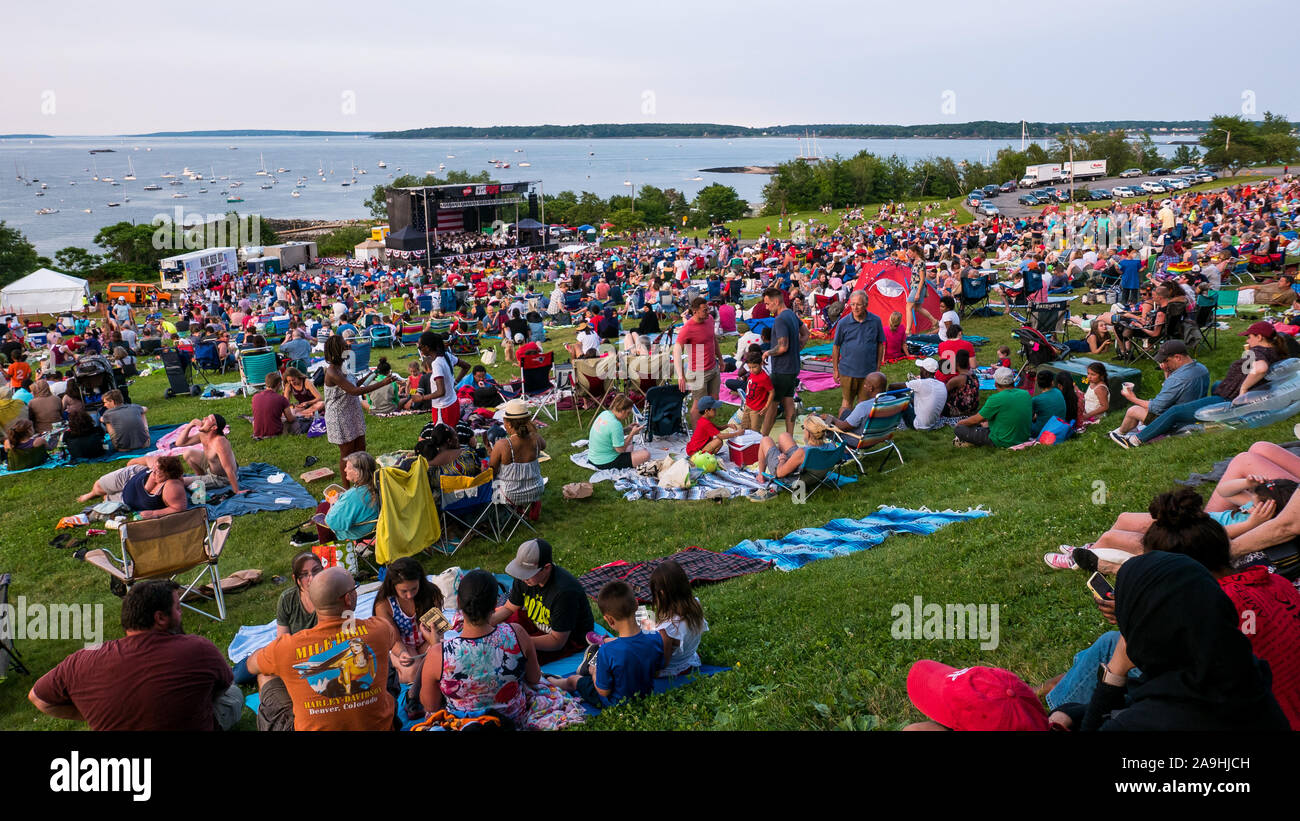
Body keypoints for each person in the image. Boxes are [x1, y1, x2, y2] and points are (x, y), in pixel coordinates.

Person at [1048, 551, 1289, 732]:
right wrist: (1073, 711)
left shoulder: (1144, 722)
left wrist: (1114, 673)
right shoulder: (1244, 672)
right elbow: (1138, 698)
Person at [28, 579, 241, 731]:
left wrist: (90, 714)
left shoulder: (81, 660)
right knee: (233, 694)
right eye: (178, 608)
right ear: (160, 618)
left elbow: (38, 698)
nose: (181, 613)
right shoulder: (198, 649)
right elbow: (221, 688)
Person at [246, 566, 397, 731]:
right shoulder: (379, 629)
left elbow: (251, 665)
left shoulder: (286, 647)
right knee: (382, 657)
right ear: (348, 598)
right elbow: (391, 640)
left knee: (265, 674)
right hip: (378, 725)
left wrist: (276, 656)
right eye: (355, 588)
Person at [418, 569, 564, 729]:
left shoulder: (439, 653)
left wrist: (435, 646)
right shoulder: (516, 633)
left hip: (464, 724)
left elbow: (430, 705)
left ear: (458, 602)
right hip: (512, 720)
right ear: (495, 604)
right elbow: (534, 678)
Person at [548, 580, 665, 708]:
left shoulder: (607, 651)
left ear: (609, 620)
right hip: (645, 693)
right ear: (637, 605)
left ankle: (549, 681)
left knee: (573, 680)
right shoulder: (655, 637)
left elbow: (603, 691)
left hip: (615, 703)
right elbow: (657, 672)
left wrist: (594, 673)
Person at [490, 538, 595, 664]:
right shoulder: (525, 579)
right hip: (539, 623)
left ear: (547, 567)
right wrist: (484, 624)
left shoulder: (564, 592)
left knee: (512, 657)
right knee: (500, 627)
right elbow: (509, 608)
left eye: (527, 573)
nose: (523, 578)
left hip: (565, 638)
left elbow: (557, 641)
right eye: (520, 572)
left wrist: (519, 641)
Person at [323, 334, 397, 485]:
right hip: (340, 416)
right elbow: (354, 391)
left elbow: (355, 383)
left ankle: (362, 482)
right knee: (347, 454)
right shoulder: (332, 372)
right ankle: (347, 489)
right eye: (345, 345)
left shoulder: (342, 368)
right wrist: (383, 383)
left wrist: (374, 373)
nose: (348, 347)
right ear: (337, 350)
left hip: (352, 412)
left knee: (361, 449)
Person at [1108, 340, 1211, 448]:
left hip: (1175, 421)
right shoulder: (1201, 368)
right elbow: (1173, 390)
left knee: (1133, 410)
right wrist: (1167, 371)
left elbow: (1157, 407)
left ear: (1178, 357)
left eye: (1166, 361)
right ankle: (1123, 431)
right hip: (1196, 414)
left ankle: (1119, 433)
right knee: (1144, 407)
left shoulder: (1178, 378)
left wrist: (1132, 398)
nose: (1164, 364)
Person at [373, 557, 443, 685]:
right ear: (393, 587)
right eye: (404, 591)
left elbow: (438, 630)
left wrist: (435, 643)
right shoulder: (384, 604)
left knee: (440, 662)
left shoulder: (431, 594)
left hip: (427, 640)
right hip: (402, 645)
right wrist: (402, 652)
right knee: (412, 671)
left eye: (414, 589)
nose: (410, 595)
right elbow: (393, 639)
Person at [647, 559, 709, 677]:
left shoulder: (667, 629)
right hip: (689, 659)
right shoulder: (696, 605)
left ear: (662, 593)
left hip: (673, 668)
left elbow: (663, 664)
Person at [831, 290, 885, 418]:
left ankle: (859, 432)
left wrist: (877, 368)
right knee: (847, 403)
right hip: (847, 371)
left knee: (864, 404)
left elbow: (880, 345)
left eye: (858, 305)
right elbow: (836, 347)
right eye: (852, 304)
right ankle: (842, 429)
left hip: (868, 372)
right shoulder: (843, 323)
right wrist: (835, 370)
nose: (855, 308)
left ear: (866, 305)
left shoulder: (875, 321)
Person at [761, 287, 808, 436]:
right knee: (789, 404)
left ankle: (762, 439)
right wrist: (798, 348)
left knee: (771, 406)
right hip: (793, 368)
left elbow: (782, 347)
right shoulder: (791, 315)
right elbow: (806, 333)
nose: (767, 307)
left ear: (776, 301)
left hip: (782, 370)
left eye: (768, 304)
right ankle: (789, 436)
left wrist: (767, 353)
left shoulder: (780, 319)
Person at [954, 366, 1031, 448]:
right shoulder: (1025, 394)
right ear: (1013, 381)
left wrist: (960, 423)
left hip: (1003, 440)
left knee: (960, 429)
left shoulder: (996, 399)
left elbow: (976, 419)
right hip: (1023, 437)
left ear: (995, 384)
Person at [314, 451, 382, 543]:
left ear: (357, 473)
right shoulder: (379, 485)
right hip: (375, 529)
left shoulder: (353, 496)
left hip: (358, 535)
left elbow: (331, 523)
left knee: (322, 508)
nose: (345, 470)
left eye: (348, 468)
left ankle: (328, 548)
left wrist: (333, 503)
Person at [489, 398, 546, 507]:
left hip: (509, 495)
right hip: (536, 490)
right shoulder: (536, 438)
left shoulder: (502, 445)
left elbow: (491, 472)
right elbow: (543, 445)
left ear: (509, 424)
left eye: (504, 421)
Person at [674, 297, 722, 426]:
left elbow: (713, 340)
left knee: (713, 401)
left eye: (708, 309)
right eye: (705, 310)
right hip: (698, 371)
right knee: (698, 406)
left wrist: (721, 360)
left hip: (713, 367)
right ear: (695, 312)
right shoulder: (687, 328)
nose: (708, 312)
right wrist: (680, 376)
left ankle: (706, 429)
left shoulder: (710, 320)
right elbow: (677, 350)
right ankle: (697, 436)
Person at [586, 393, 650, 469]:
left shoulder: (605, 413)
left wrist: (627, 428)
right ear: (622, 410)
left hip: (593, 457)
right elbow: (621, 450)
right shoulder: (615, 424)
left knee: (630, 445)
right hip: (605, 462)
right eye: (628, 413)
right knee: (646, 455)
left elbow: (610, 434)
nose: (628, 416)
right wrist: (632, 434)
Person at [756, 414, 830, 479]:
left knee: (765, 440)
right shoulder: (831, 446)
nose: (803, 430)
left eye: (803, 427)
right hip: (811, 473)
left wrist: (782, 460)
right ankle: (774, 457)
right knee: (784, 436)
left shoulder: (803, 452)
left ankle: (761, 476)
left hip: (794, 478)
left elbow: (779, 473)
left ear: (808, 433)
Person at [900, 357, 947, 431]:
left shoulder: (921, 383)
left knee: (901, 396)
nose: (920, 371)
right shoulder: (942, 384)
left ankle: (887, 417)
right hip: (933, 423)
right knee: (913, 395)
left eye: (921, 369)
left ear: (926, 372)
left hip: (918, 425)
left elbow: (893, 386)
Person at [251, 371, 299, 438]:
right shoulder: (281, 399)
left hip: (258, 432)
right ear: (278, 384)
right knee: (295, 422)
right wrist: (297, 416)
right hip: (275, 433)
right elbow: (290, 419)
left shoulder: (255, 397)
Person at [739, 350, 774, 432]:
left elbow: (772, 392)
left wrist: (766, 407)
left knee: (754, 430)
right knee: (744, 427)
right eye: (749, 367)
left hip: (757, 409)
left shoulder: (764, 378)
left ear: (761, 364)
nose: (751, 370)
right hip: (748, 405)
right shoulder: (751, 373)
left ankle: (757, 444)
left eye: (754, 367)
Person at [942, 348, 980, 420]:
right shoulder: (973, 375)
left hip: (960, 410)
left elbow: (942, 392)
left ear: (957, 364)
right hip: (973, 408)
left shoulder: (957, 379)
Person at [1029, 369, 1066, 436]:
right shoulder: (1058, 392)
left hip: (1042, 431)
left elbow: (1029, 418)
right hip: (1060, 426)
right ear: (1052, 382)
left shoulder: (1036, 400)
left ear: (1037, 383)